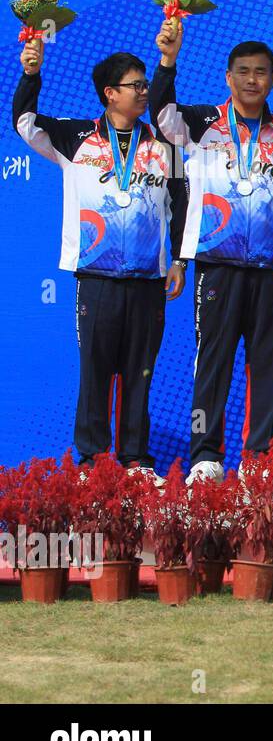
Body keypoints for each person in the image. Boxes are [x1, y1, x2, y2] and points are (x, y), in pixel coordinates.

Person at [149, 19, 273, 483]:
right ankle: (205, 457)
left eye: (262, 72)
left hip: (272, 271)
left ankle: (260, 462)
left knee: (267, 367)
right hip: (217, 266)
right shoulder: (201, 123)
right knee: (213, 361)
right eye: (244, 72)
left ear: (272, 79)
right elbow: (161, 114)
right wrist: (168, 59)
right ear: (228, 78)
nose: (253, 80)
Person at [14, 38, 186, 480]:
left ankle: (135, 461)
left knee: (139, 371)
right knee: (95, 369)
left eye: (146, 84)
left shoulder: (166, 146)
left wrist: (180, 260)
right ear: (110, 93)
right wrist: (31, 73)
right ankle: (93, 460)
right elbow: (25, 122)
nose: (144, 92)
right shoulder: (75, 138)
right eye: (136, 86)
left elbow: (181, 206)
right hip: (96, 277)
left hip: (149, 278)